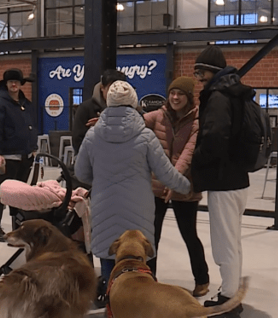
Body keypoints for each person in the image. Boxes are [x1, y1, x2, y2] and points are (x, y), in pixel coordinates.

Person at [74, 81, 191, 304]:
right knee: (137, 260)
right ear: (134, 103)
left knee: (110, 257)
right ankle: (136, 308)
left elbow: (81, 172)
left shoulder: (93, 135)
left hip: (103, 207)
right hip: (139, 212)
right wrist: (187, 186)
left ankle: (113, 304)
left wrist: (101, 181)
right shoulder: (145, 137)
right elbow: (166, 174)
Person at [190, 45, 253, 318]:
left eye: (199, 71)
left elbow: (214, 137)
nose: (197, 77)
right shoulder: (236, 92)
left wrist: (197, 160)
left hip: (223, 181)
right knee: (233, 242)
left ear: (209, 71)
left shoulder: (217, 96)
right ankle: (231, 293)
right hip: (238, 179)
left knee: (224, 243)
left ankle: (228, 303)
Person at [143, 76, 210, 297]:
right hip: (157, 185)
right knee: (152, 235)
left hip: (183, 186)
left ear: (189, 97)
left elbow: (186, 155)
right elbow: (135, 121)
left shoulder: (197, 121)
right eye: (172, 93)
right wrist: (107, 121)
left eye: (180, 94)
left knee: (189, 233)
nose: (175, 97)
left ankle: (202, 279)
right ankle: (148, 278)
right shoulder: (160, 115)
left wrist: (174, 182)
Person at [0, 68, 38, 242]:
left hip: (26, 156)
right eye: (10, 82)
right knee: (2, 193)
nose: (14, 84)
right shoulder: (0, 104)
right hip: (8, 158)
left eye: (16, 81)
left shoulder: (27, 104)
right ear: (6, 84)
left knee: (20, 194)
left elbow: (31, 126)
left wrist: (33, 146)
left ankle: (17, 228)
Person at [71, 69, 126, 154]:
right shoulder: (85, 108)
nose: (115, 92)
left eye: (120, 89)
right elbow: (78, 140)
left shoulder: (130, 110)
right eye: (111, 88)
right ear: (102, 88)